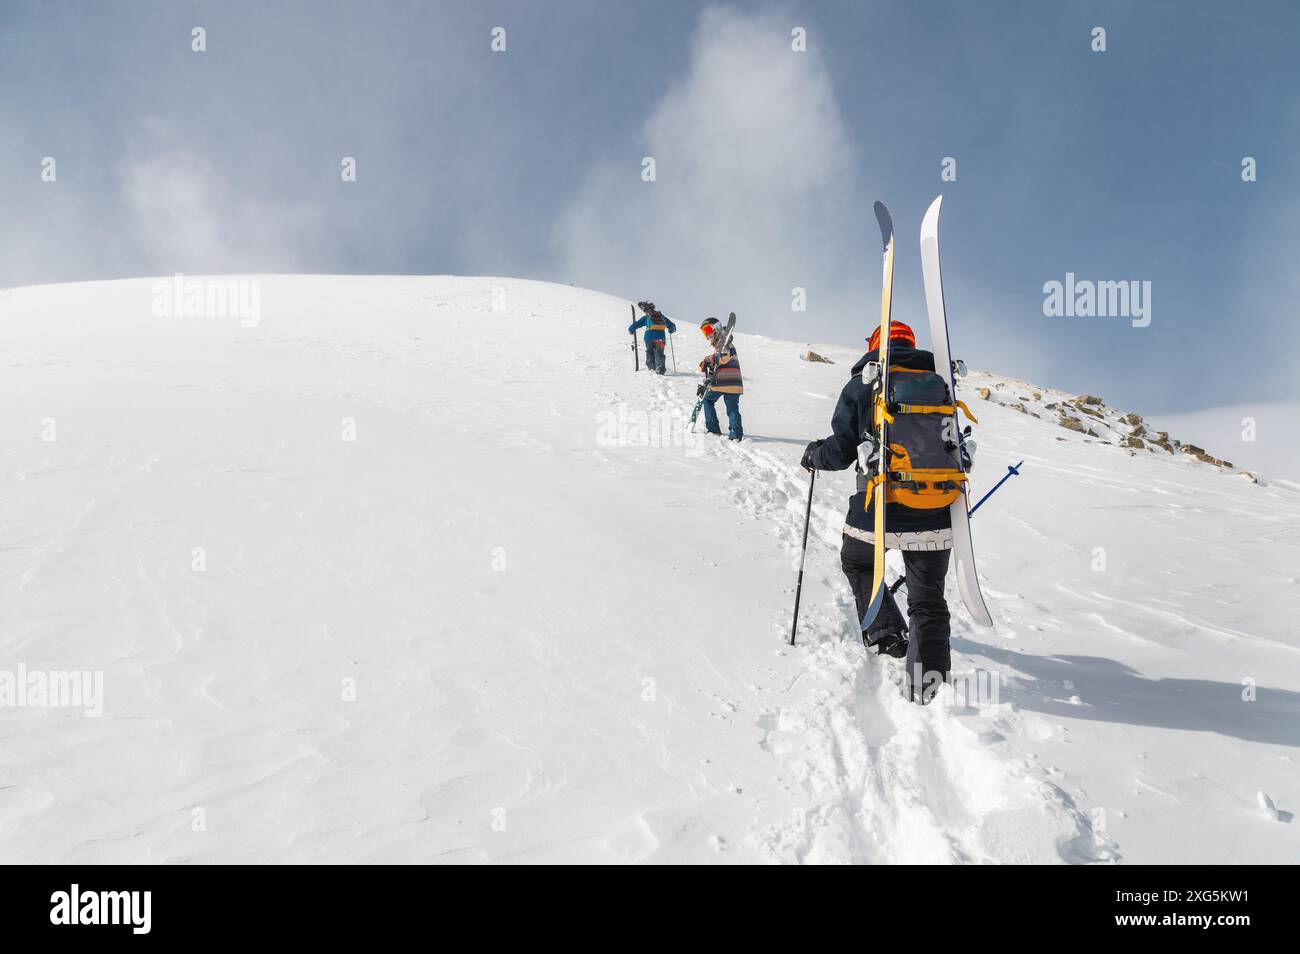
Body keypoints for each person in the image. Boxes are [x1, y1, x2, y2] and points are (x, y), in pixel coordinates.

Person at [800, 319, 954, 703]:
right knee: (928, 599)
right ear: (912, 345)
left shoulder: (864, 383)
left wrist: (812, 454)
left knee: (860, 564)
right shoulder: (940, 385)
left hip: (877, 509)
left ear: (874, 345)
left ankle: (886, 633)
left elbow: (839, 452)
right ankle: (929, 690)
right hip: (935, 510)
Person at [698, 317, 743, 441]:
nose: (707, 334)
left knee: (707, 400)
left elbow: (723, 357)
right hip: (734, 383)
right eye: (704, 332)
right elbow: (719, 361)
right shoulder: (723, 342)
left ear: (716, 328)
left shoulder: (724, 341)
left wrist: (707, 359)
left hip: (723, 382)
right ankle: (736, 434)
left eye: (708, 330)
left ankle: (713, 429)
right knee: (733, 408)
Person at [628, 301, 677, 375]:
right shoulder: (661, 316)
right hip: (660, 337)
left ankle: (651, 368)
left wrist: (631, 329)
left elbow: (636, 324)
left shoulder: (646, 317)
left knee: (649, 352)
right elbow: (672, 326)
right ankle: (660, 369)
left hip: (649, 338)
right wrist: (671, 330)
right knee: (659, 353)